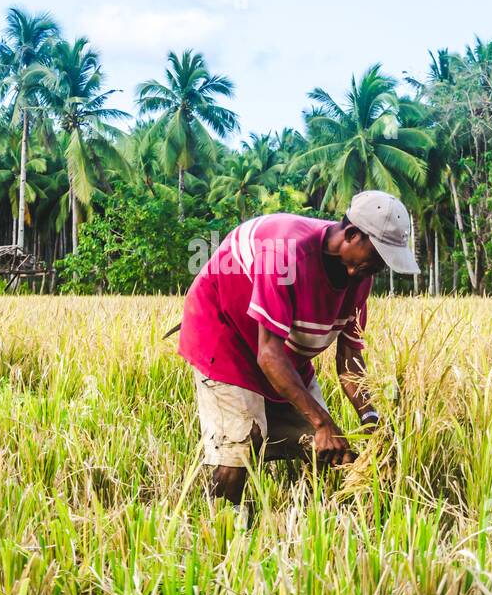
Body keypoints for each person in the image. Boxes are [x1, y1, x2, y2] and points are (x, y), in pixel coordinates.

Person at [178, 190, 419, 504]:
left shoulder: (360, 275)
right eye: (377, 257)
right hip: (225, 337)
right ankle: (222, 526)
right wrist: (322, 421)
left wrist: (370, 416)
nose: (380, 269)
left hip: (281, 353)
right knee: (242, 443)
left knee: (328, 450)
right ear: (351, 235)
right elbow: (268, 354)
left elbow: (349, 359)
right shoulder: (285, 252)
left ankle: (314, 521)